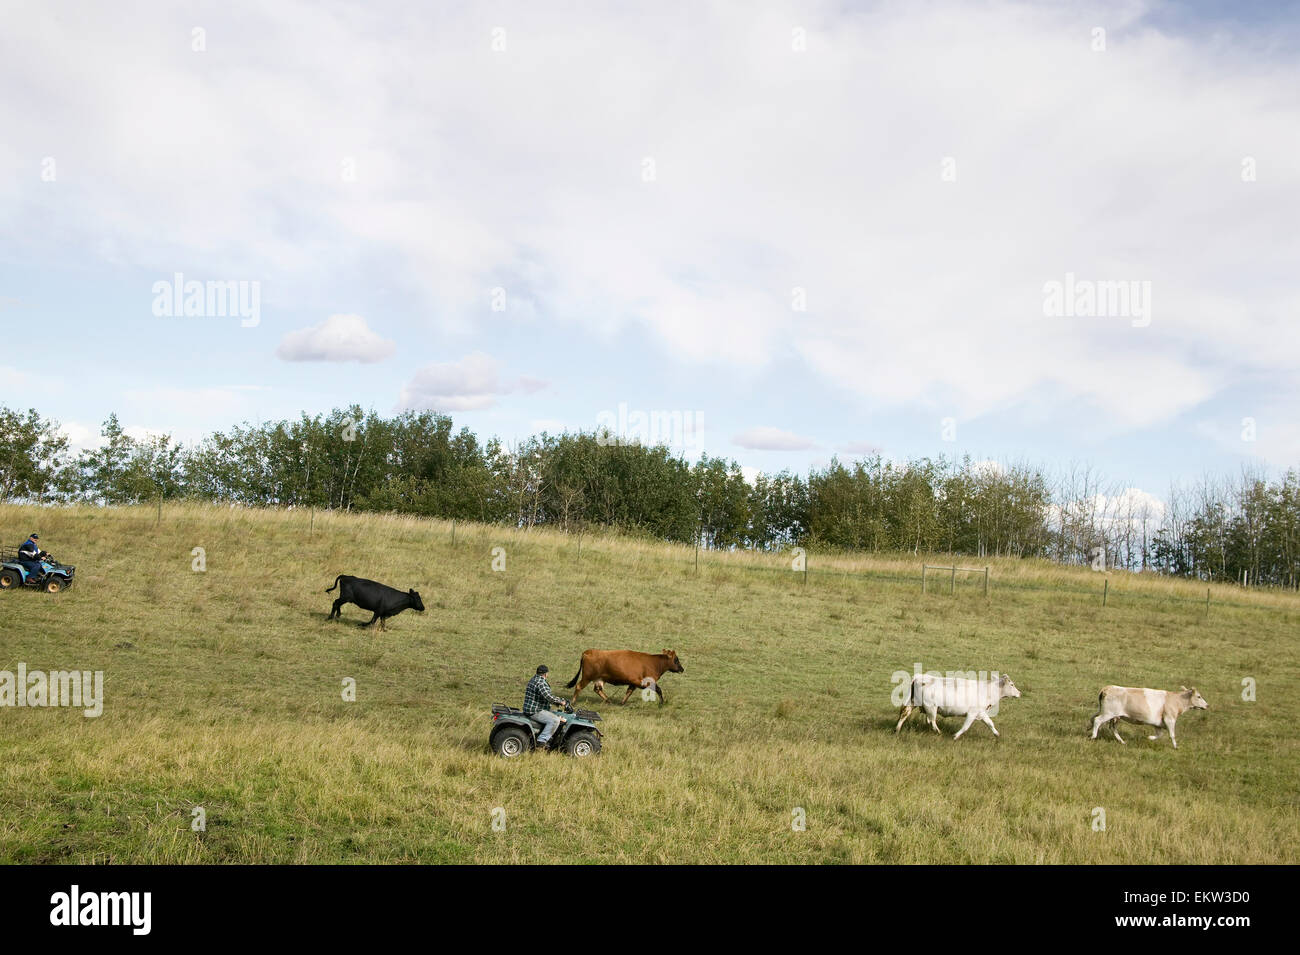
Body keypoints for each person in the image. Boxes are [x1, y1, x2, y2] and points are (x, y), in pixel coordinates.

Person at [523, 665, 569, 751]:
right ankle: (541, 743)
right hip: (535, 711)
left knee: (555, 715)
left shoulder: (534, 679)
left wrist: (558, 701)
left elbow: (545, 696)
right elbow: (548, 696)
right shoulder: (540, 682)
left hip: (532, 708)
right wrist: (561, 702)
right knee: (555, 720)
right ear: (546, 674)